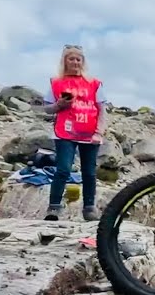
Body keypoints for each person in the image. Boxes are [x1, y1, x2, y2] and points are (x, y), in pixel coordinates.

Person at [42, 44, 107, 222]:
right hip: (65, 132)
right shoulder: (56, 82)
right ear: (65, 61)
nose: (75, 62)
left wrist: (99, 132)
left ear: (83, 62)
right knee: (63, 169)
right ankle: (54, 207)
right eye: (71, 59)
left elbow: (102, 110)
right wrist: (58, 105)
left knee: (89, 172)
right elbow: (47, 109)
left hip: (89, 133)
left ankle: (89, 208)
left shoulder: (94, 84)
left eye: (78, 59)